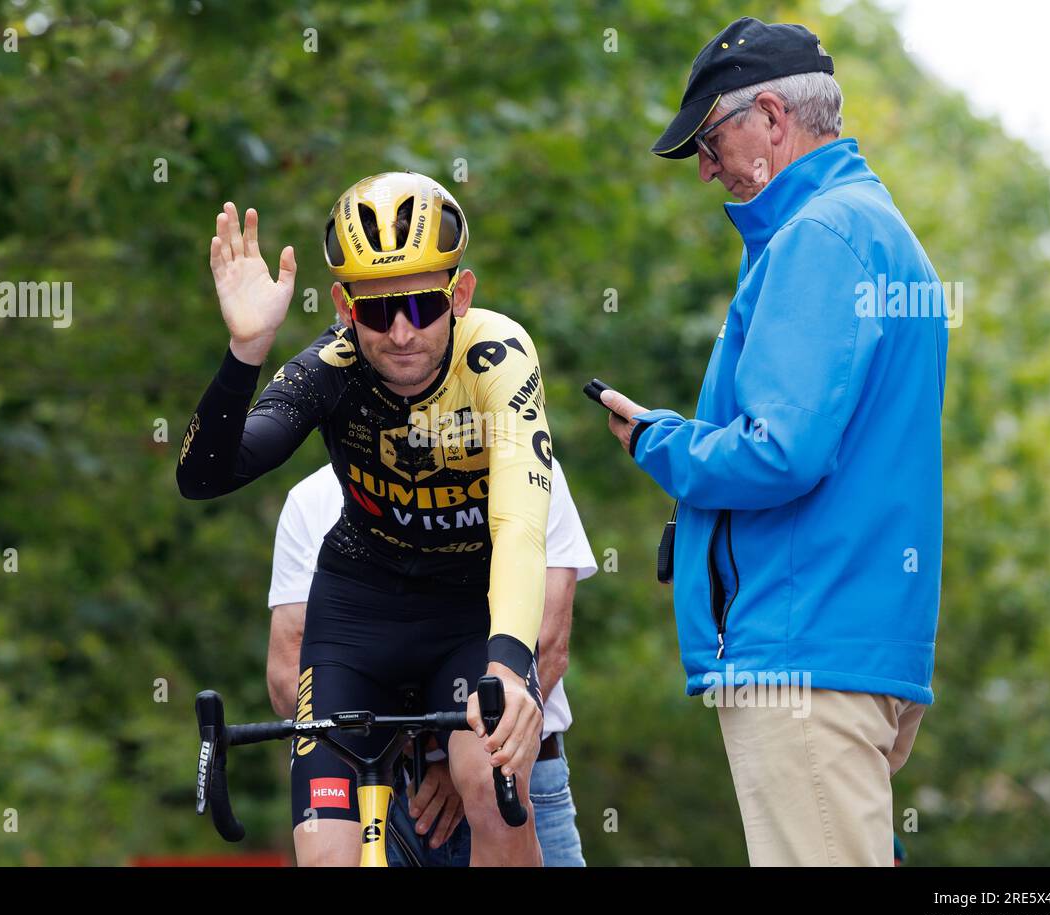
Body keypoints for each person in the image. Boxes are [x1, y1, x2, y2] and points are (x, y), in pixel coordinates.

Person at [601, 17, 948, 866]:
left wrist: (660, 441)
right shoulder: (874, 230)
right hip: (852, 644)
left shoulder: (816, 238)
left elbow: (780, 453)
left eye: (709, 142)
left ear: (770, 115)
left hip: (803, 649)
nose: (707, 169)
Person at [177, 171, 554, 866]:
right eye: (378, 313)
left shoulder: (497, 356)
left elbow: (522, 526)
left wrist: (508, 662)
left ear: (460, 295)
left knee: (487, 782)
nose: (402, 333)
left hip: (470, 613)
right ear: (346, 307)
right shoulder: (332, 365)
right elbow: (204, 477)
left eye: (422, 304)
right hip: (358, 612)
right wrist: (246, 353)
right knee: (325, 857)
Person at [266, 458, 595, 865]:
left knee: (490, 796)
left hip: (514, 772)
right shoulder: (310, 498)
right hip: (386, 790)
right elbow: (289, 675)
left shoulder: (526, 467)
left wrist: (464, 764)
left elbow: (546, 642)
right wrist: (393, 750)